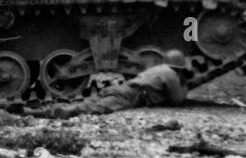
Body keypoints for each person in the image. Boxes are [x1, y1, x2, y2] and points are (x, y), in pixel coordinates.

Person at [27, 49, 191, 119]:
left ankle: (36, 111)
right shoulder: (171, 74)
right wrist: (185, 87)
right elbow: (177, 100)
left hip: (121, 88)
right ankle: (54, 112)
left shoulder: (160, 69)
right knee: (91, 109)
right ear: (180, 66)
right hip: (129, 96)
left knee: (89, 103)